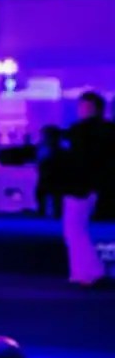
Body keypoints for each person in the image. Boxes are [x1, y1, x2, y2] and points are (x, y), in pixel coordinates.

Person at [59, 91, 113, 287]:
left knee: (74, 230)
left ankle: (88, 271)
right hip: (97, 185)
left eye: (82, 106)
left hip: (79, 185)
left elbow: (73, 159)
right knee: (77, 229)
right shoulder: (109, 130)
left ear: (90, 108)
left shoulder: (79, 131)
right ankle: (82, 272)